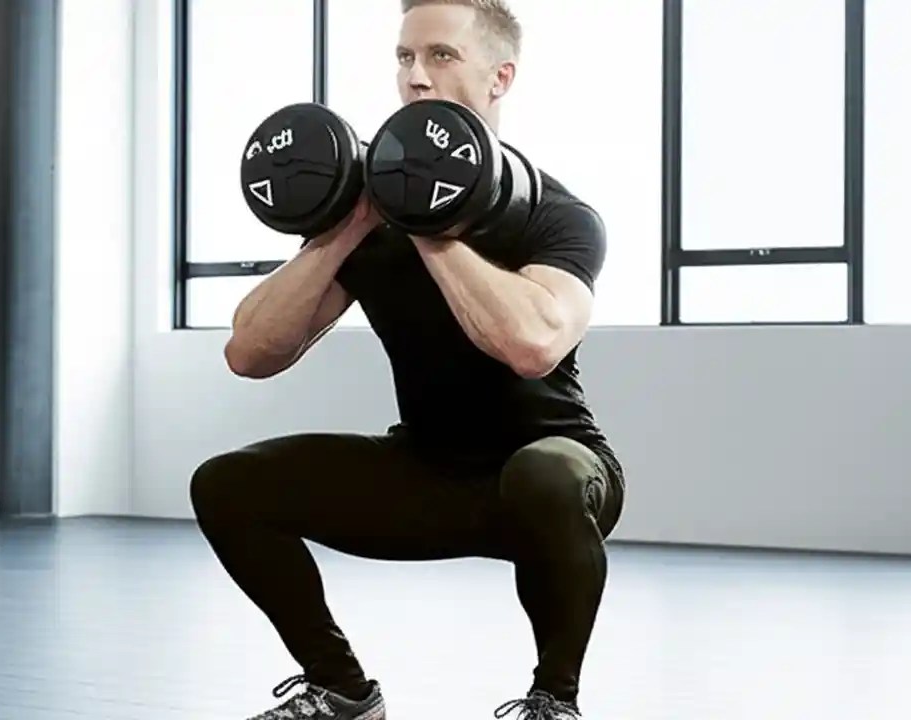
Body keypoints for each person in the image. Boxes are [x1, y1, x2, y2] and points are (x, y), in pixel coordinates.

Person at [189, 1, 624, 718]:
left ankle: (554, 702)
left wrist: (432, 227)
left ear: (499, 77)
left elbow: (533, 345)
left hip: (560, 473)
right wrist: (351, 223)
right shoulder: (368, 220)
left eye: (441, 56)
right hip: (430, 471)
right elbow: (251, 352)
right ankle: (340, 690)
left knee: (542, 476)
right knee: (228, 483)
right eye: (403, 58)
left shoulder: (556, 214)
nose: (416, 78)